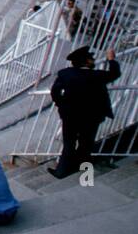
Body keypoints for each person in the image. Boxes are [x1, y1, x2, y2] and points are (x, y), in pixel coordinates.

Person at [49, 46, 121, 179]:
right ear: (86, 62)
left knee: (69, 143)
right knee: (86, 143)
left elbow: (55, 92)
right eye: (91, 59)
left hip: (70, 116)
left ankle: (61, 171)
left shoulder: (65, 73)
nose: (93, 60)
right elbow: (115, 73)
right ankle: (83, 166)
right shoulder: (97, 76)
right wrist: (111, 59)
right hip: (91, 117)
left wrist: (61, 105)